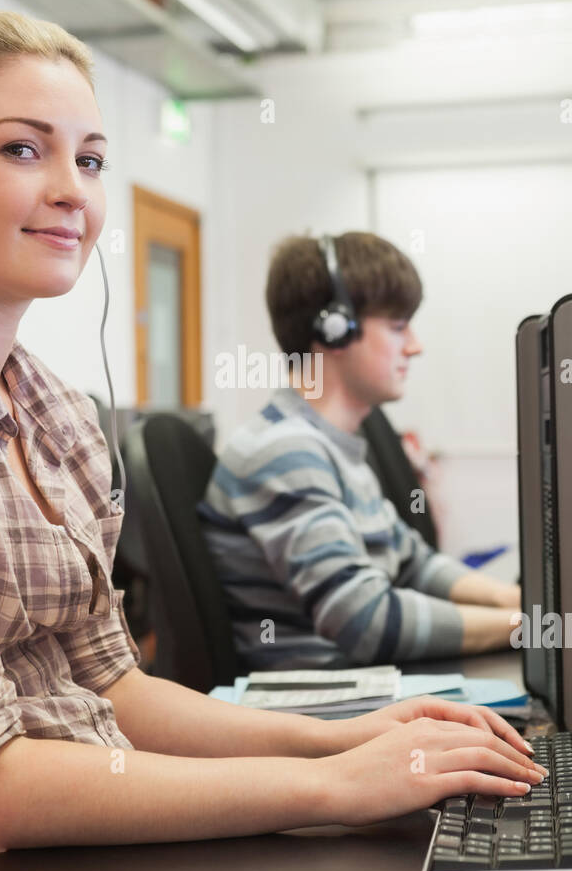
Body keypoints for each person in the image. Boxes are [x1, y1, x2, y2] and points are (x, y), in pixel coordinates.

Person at [0, 14, 544, 871]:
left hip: (63, 862)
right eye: (22, 149)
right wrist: (334, 786)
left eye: (90, 161)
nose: (70, 193)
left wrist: (358, 733)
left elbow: (115, 690)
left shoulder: (53, 408)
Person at [200, 231, 520, 669]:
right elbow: (367, 622)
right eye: (397, 326)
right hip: (321, 706)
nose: (415, 345)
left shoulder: (337, 445)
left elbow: (412, 562)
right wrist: (523, 626)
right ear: (335, 330)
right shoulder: (286, 452)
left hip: (360, 687)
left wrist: (513, 600)